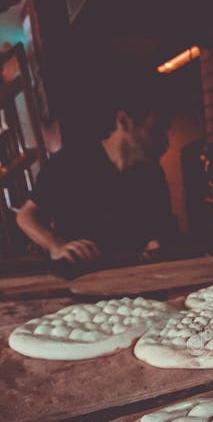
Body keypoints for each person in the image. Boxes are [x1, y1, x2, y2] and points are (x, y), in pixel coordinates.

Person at [16, 71, 177, 274]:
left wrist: (157, 245)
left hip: (135, 284)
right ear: (124, 121)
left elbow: (160, 231)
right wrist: (57, 245)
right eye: (156, 129)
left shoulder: (152, 175)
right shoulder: (70, 162)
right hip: (79, 280)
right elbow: (26, 215)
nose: (165, 141)